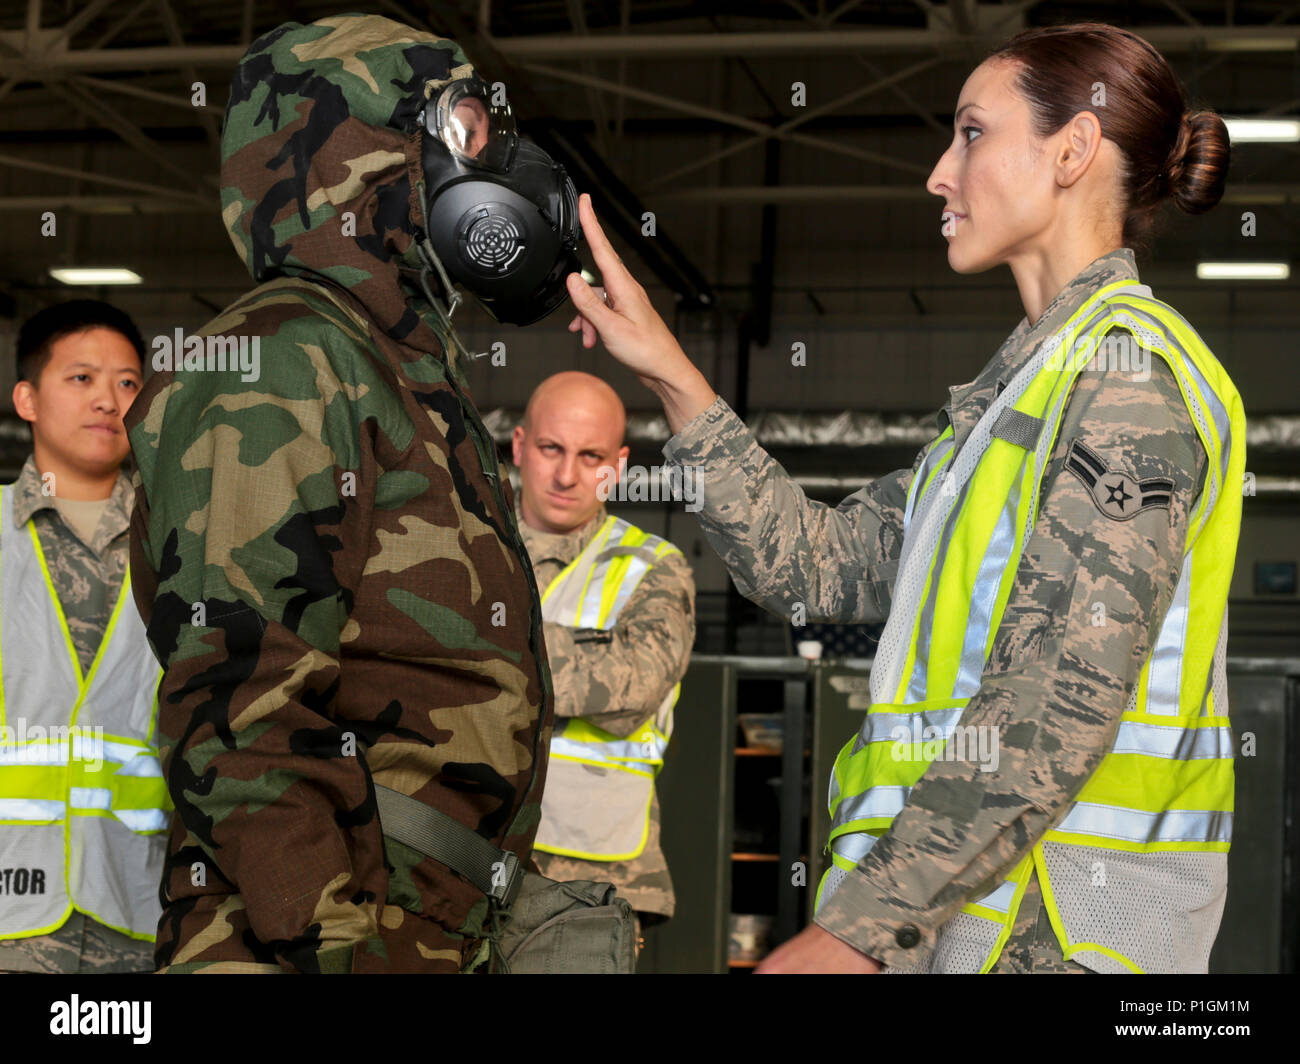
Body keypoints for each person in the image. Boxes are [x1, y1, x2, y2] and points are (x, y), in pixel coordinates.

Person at [561, 22, 1243, 974]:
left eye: (970, 133)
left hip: (1063, 936)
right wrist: (671, 371)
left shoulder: (1127, 379)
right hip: (973, 929)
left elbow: (1058, 699)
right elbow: (815, 564)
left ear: (1073, 150)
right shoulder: (1011, 409)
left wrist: (856, 932)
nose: (937, 173)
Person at [125, 14, 583, 972]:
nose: (490, 163)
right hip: (309, 941)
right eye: (459, 130)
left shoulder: (394, 367)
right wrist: (333, 942)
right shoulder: (277, 362)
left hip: (414, 924)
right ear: (361, 154)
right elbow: (238, 705)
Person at [0, 300, 166, 973]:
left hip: (139, 913)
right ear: (27, 398)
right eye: (82, 379)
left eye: (128, 383)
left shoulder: (182, 548)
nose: (109, 400)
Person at [512, 371, 695, 946]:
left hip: (591, 876)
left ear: (616, 465)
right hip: (456, 850)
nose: (567, 475)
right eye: (550, 449)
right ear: (518, 446)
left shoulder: (655, 567)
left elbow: (630, 690)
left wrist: (480, 650)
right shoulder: (455, 543)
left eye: (590, 456)